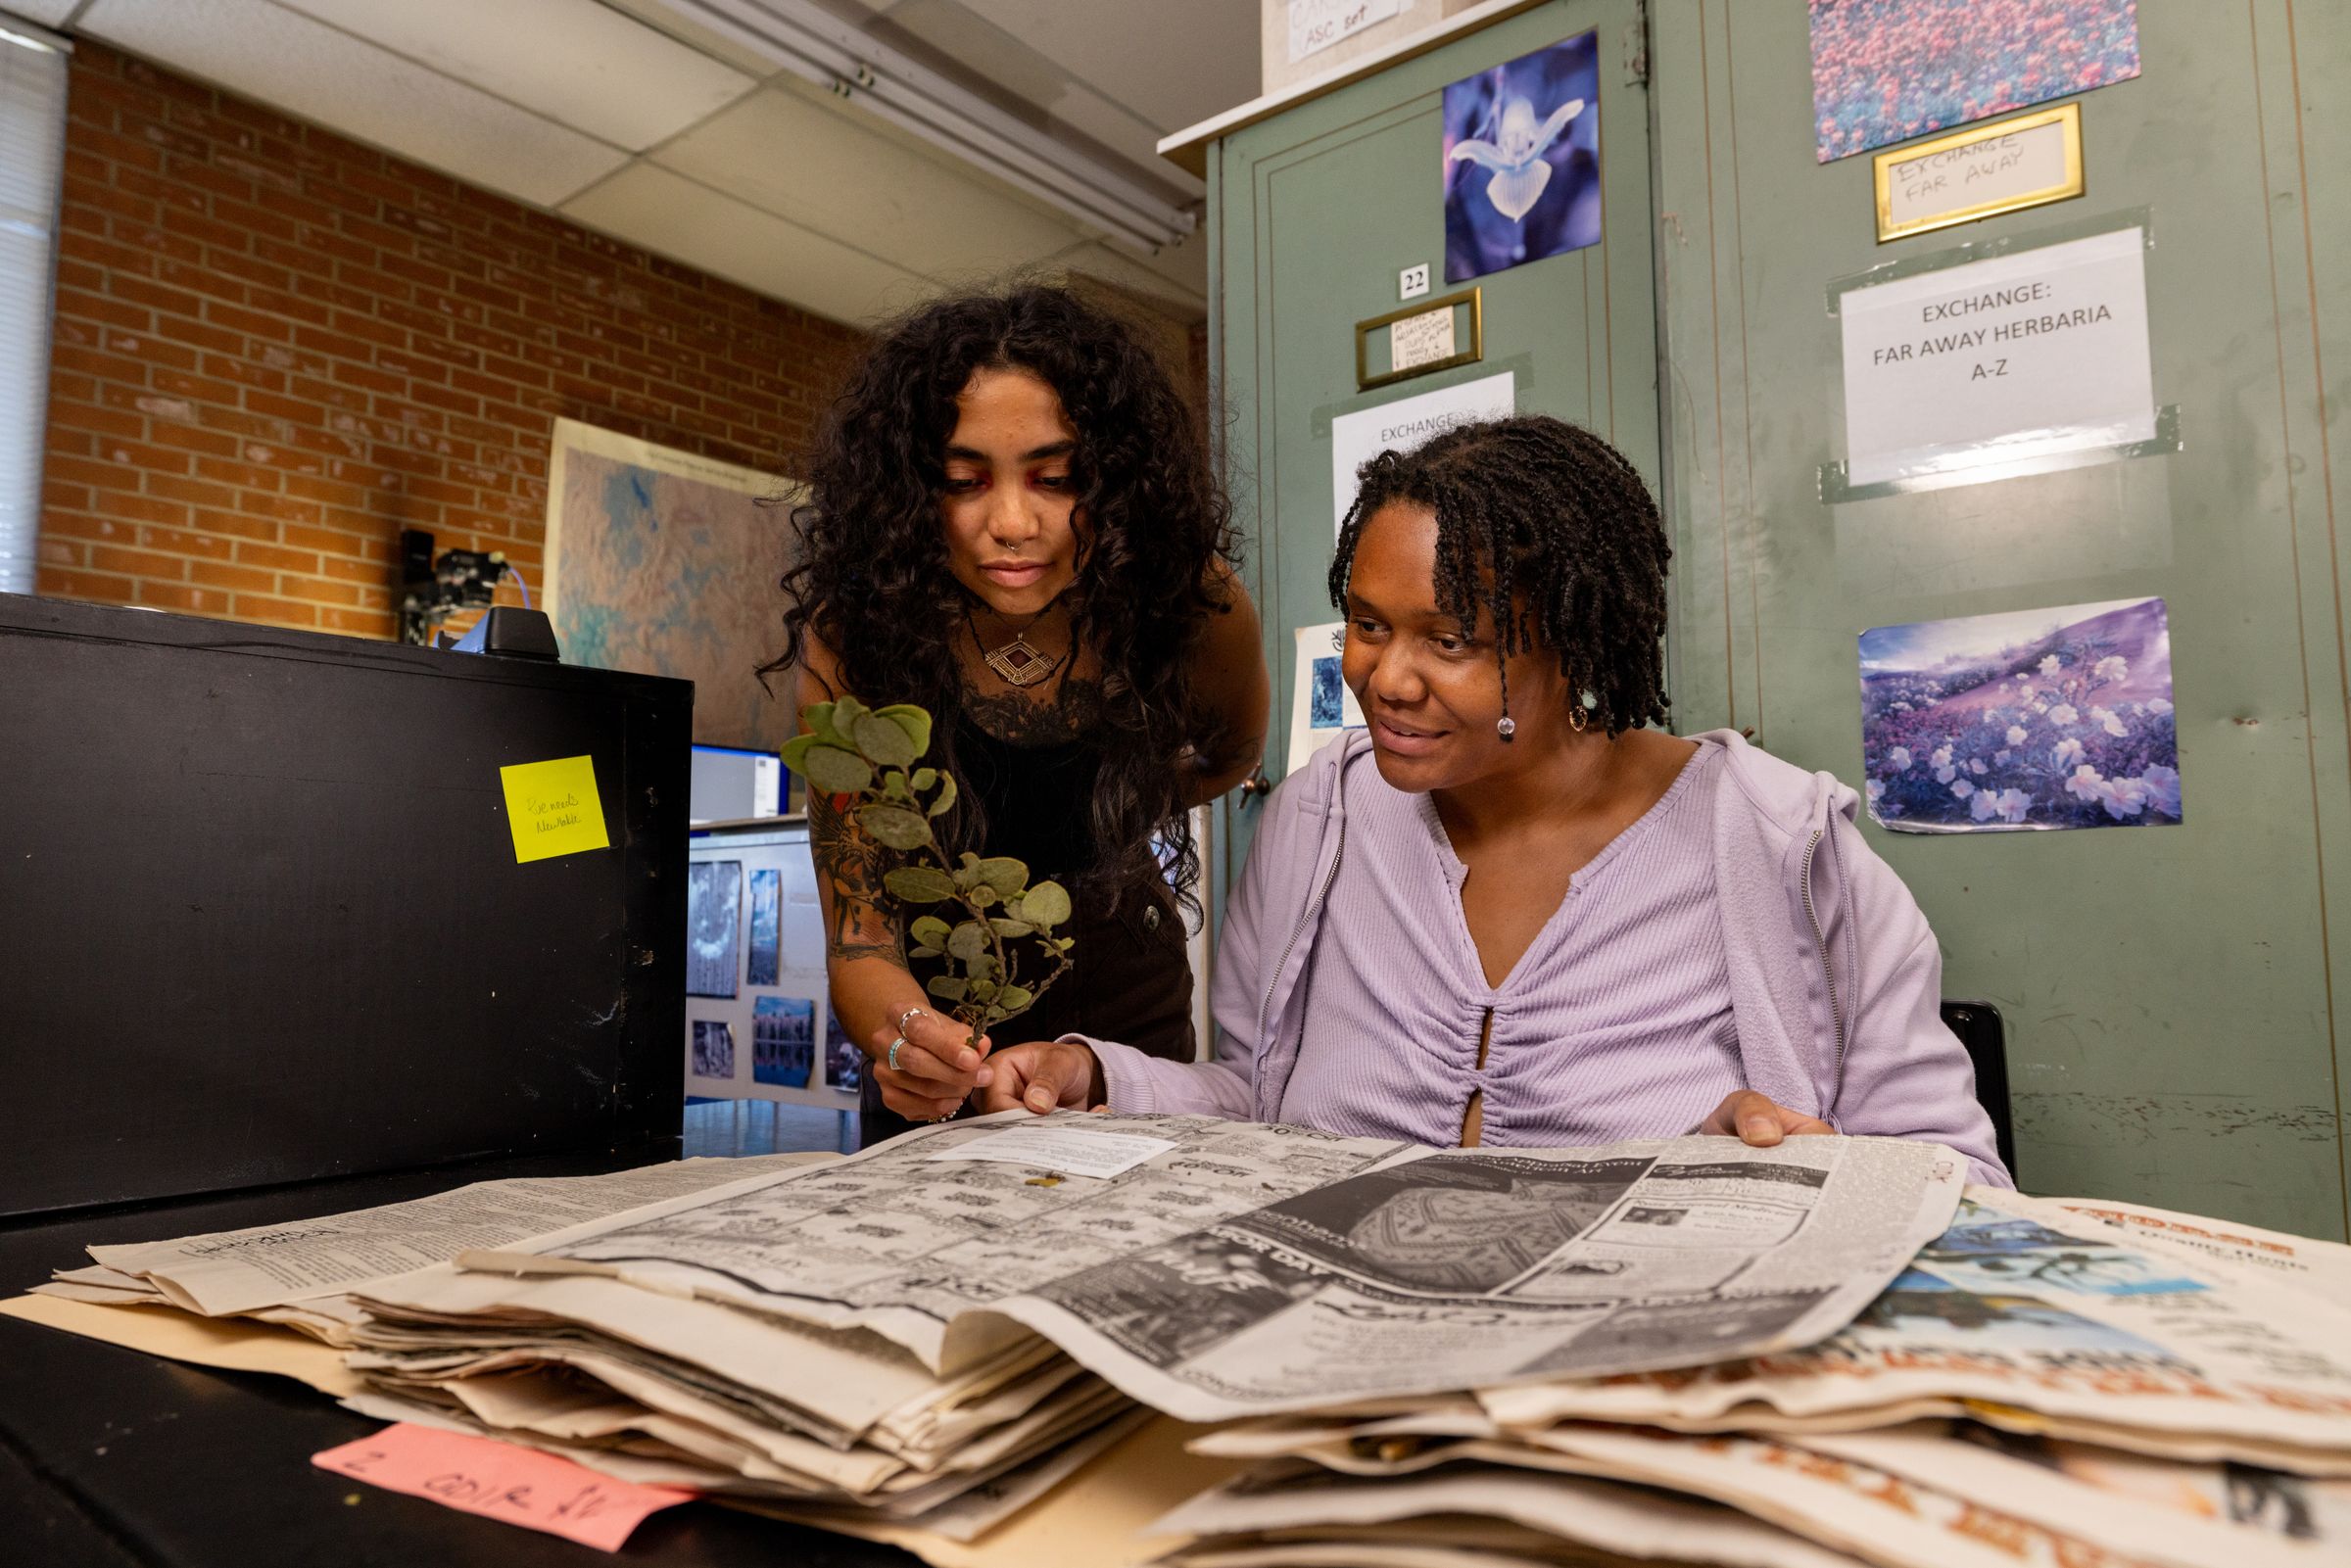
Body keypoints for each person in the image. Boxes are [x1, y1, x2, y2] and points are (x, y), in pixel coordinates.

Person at [968, 414, 2012, 1186]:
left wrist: (1773, 1165)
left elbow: (1957, 1177)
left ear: (1578, 646)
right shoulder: (1319, 822)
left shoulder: (1780, 842)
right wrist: (1096, 1074)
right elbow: (1259, 1099)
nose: (1387, 677)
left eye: (1450, 640)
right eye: (1368, 623)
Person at [776, 283, 1270, 1147]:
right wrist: (906, 1038)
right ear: (907, 495)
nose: (1010, 522)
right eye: (964, 482)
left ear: (1115, 482)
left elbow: (1229, 753)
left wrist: (1110, 815)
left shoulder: (1192, 602)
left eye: (1057, 478)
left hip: (1127, 1011)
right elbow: (858, 935)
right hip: (938, 1009)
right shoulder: (856, 636)